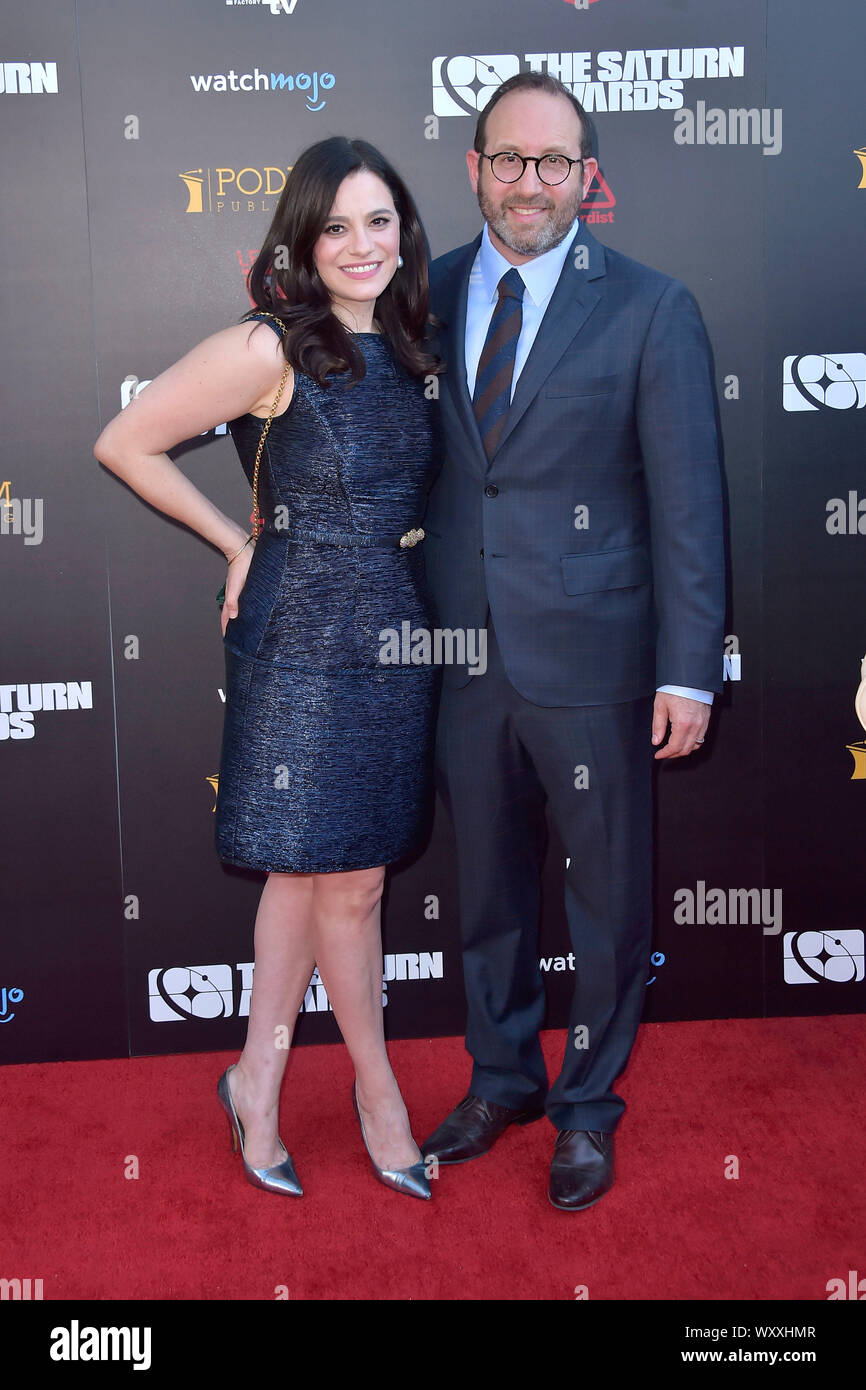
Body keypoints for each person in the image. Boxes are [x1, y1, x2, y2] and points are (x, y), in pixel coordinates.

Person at [94, 137, 444, 1202]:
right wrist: (238, 542)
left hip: (388, 631)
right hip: (300, 641)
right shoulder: (270, 347)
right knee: (347, 880)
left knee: (321, 871)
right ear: (298, 239)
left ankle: (256, 1075)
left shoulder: (412, 343)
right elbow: (127, 440)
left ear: (403, 232)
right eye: (334, 226)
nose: (359, 244)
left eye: (377, 221)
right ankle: (377, 1095)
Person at [419, 72, 726, 1210]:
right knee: (489, 893)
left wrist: (688, 666)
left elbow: (688, 504)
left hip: (595, 663)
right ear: (474, 170)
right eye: (508, 160)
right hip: (461, 661)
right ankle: (499, 1077)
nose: (530, 182)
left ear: (584, 178)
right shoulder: (425, 290)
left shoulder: (651, 307)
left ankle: (586, 1107)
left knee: (604, 904)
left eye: (553, 163)